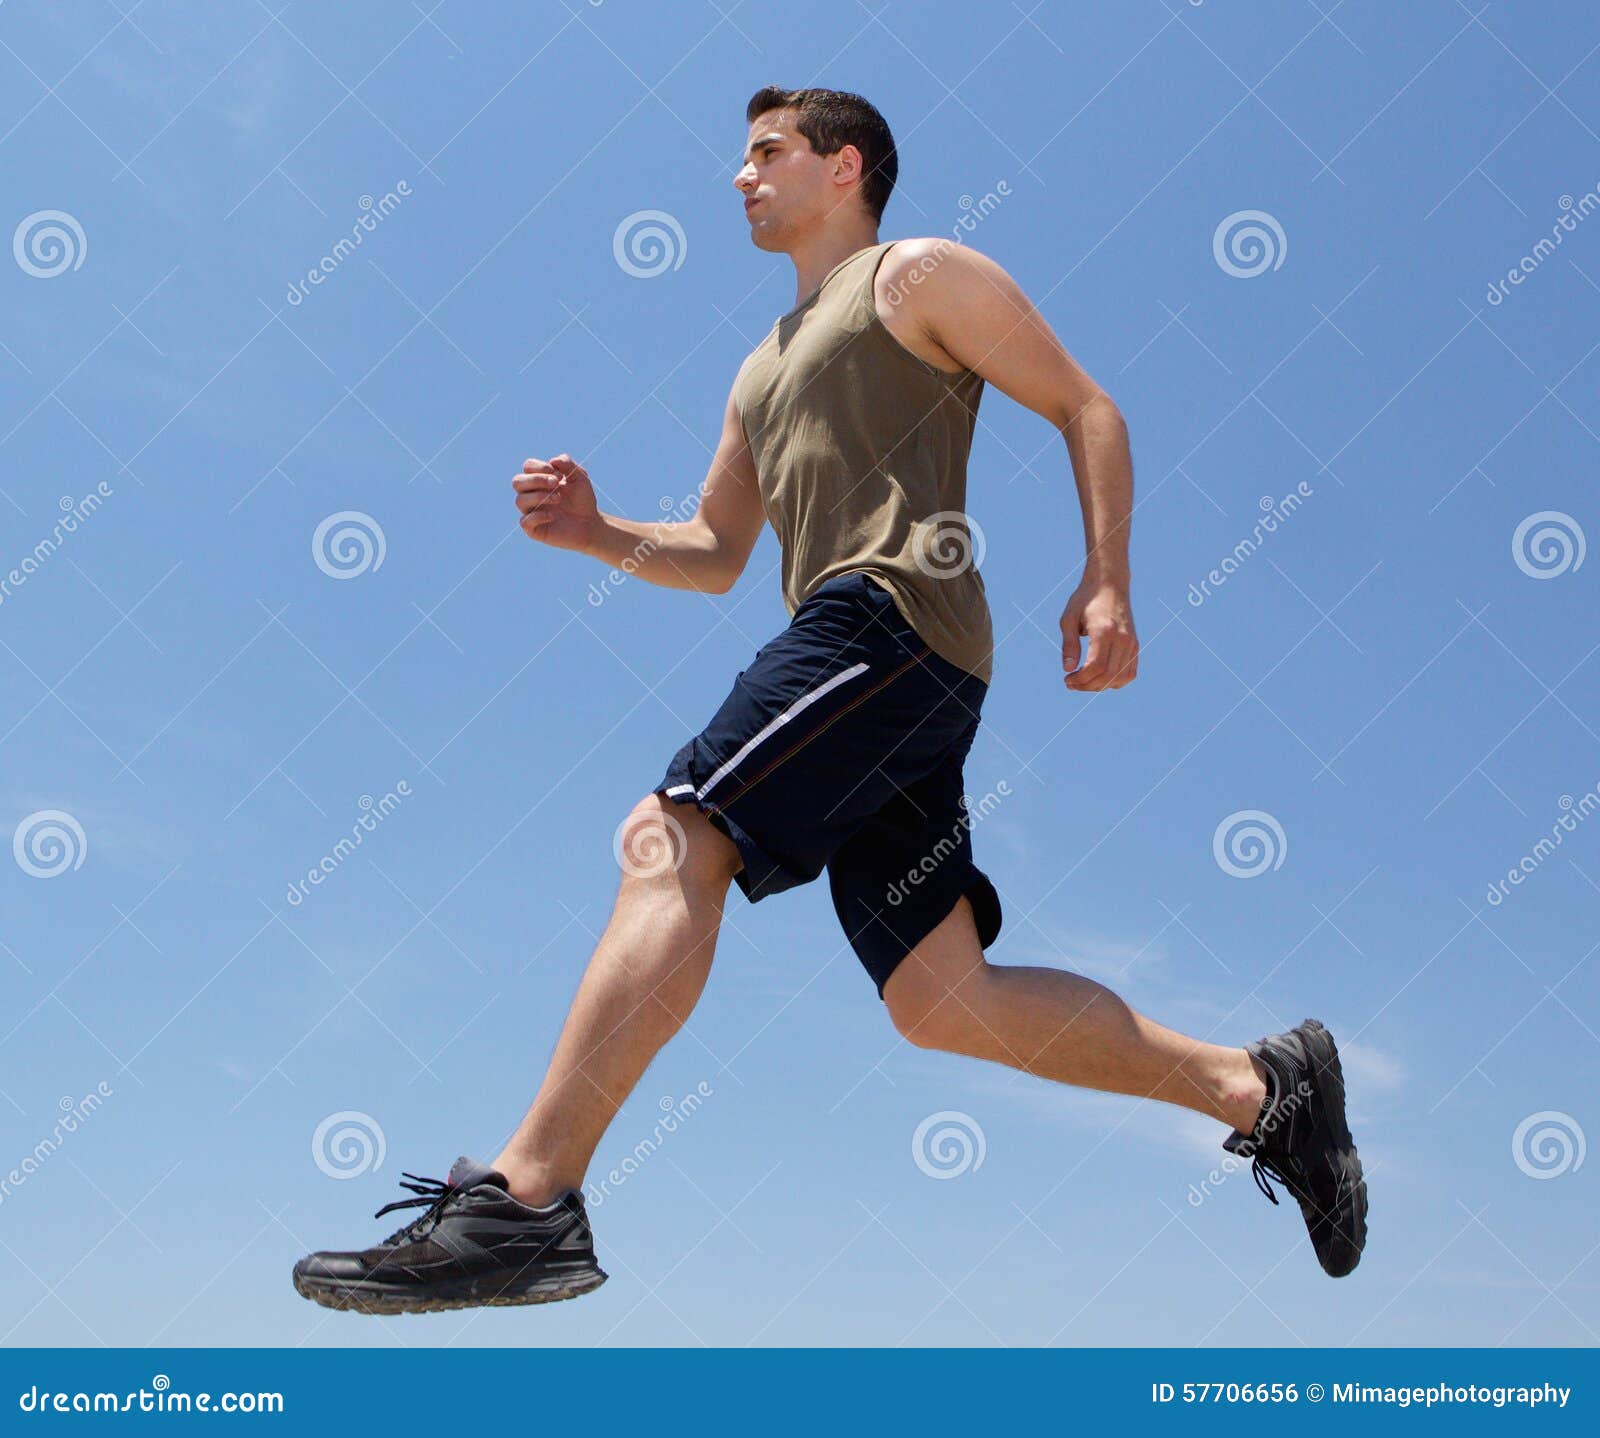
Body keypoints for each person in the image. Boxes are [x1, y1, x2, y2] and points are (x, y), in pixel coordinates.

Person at [292, 85, 1366, 1317]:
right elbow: (715, 549)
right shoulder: (759, 367)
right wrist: (594, 531)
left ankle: (528, 1197)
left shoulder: (916, 277)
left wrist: (1108, 576)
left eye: (768, 152)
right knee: (940, 1000)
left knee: (673, 835)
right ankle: (1260, 1086)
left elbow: (1087, 406)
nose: (740, 175)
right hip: (888, 673)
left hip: (885, 621)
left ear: (843, 166)